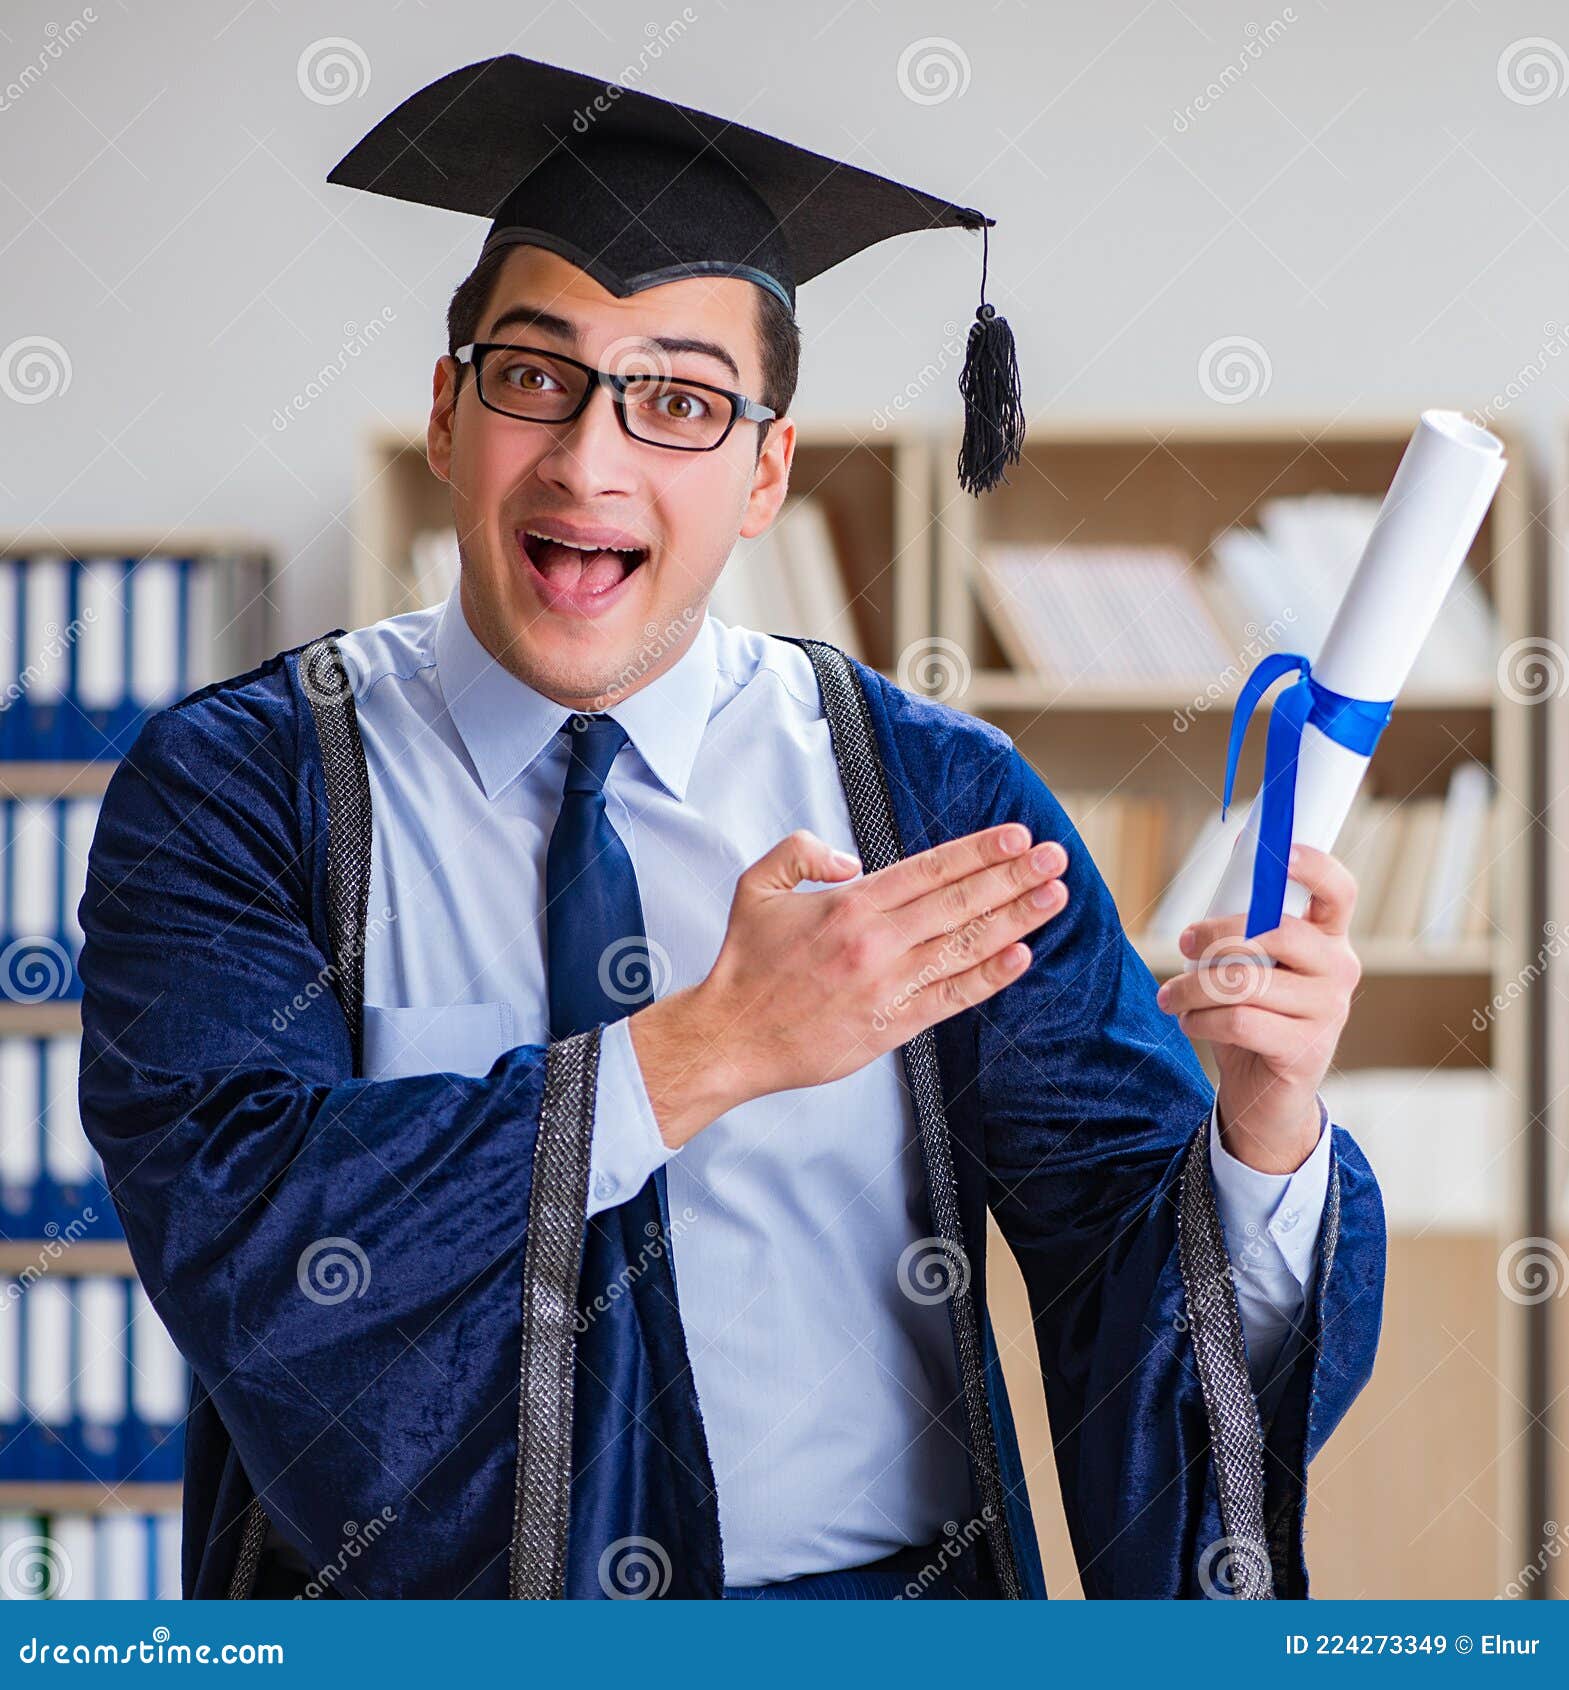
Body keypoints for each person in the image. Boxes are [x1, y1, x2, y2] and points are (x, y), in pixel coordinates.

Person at [78, 53, 1383, 1601]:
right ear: (446, 412)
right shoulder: (242, 788)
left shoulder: (935, 801)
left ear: (766, 470)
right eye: (532, 375)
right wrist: (700, 1050)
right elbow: (242, 1230)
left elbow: (1130, 1256)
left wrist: (1258, 1129)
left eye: (680, 403)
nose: (589, 457)